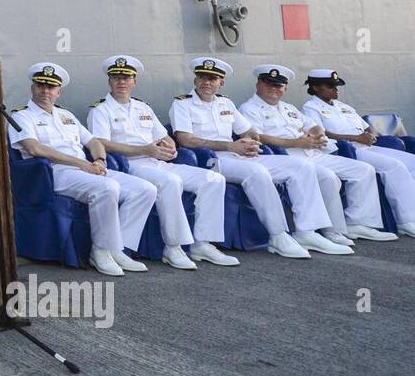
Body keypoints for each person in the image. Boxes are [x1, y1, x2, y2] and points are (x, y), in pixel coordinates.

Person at [169, 57, 340, 259]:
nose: (206, 82)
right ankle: (278, 236)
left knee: (301, 166)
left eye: (212, 79)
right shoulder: (182, 104)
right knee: (257, 172)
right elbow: (185, 140)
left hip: (237, 154)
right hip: (210, 159)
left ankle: (306, 232)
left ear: (221, 82)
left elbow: (248, 130)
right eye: (202, 78)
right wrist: (230, 146)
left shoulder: (225, 103)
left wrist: (251, 141)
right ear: (195, 80)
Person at [86, 55, 235, 270]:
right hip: (129, 165)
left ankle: (202, 244)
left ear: (134, 82)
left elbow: (164, 136)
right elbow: (101, 143)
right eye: (116, 78)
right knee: (170, 181)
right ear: (109, 81)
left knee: (213, 179)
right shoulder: (100, 109)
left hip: (156, 161)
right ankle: (173, 247)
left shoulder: (143, 108)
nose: (121, 82)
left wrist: (169, 147)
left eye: (126, 78)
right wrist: (144, 150)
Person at [9, 61, 157, 276]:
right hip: (54, 173)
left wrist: (100, 160)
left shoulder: (66, 116)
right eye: (40, 85)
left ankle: (119, 249)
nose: (45, 91)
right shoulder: (21, 116)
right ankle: (100, 251)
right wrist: (82, 164)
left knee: (145, 189)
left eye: (51, 87)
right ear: (32, 88)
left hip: (85, 170)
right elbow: (34, 148)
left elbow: (93, 141)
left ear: (58, 92)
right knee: (107, 188)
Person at [238, 64, 394, 248]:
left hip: (312, 151)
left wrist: (317, 136)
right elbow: (258, 136)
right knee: (328, 178)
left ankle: (358, 223)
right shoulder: (249, 108)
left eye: (278, 85)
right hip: (286, 155)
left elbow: (314, 125)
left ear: (285, 88)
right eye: (268, 83)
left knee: (363, 170)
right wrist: (296, 143)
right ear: (258, 84)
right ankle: (331, 231)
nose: (273, 88)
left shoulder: (289, 108)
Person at [300, 68, 415, 237]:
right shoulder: (310, 108)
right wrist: (355, 138)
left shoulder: (344, 106)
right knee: (394, 166)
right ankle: (406, 220)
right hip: (346, 150)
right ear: (316, 87)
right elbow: (323, 133)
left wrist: (370, 135)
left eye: (336, 86)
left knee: (412, 163)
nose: (335, 89)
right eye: (330, 86)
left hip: (366, 146)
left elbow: (367, 127)